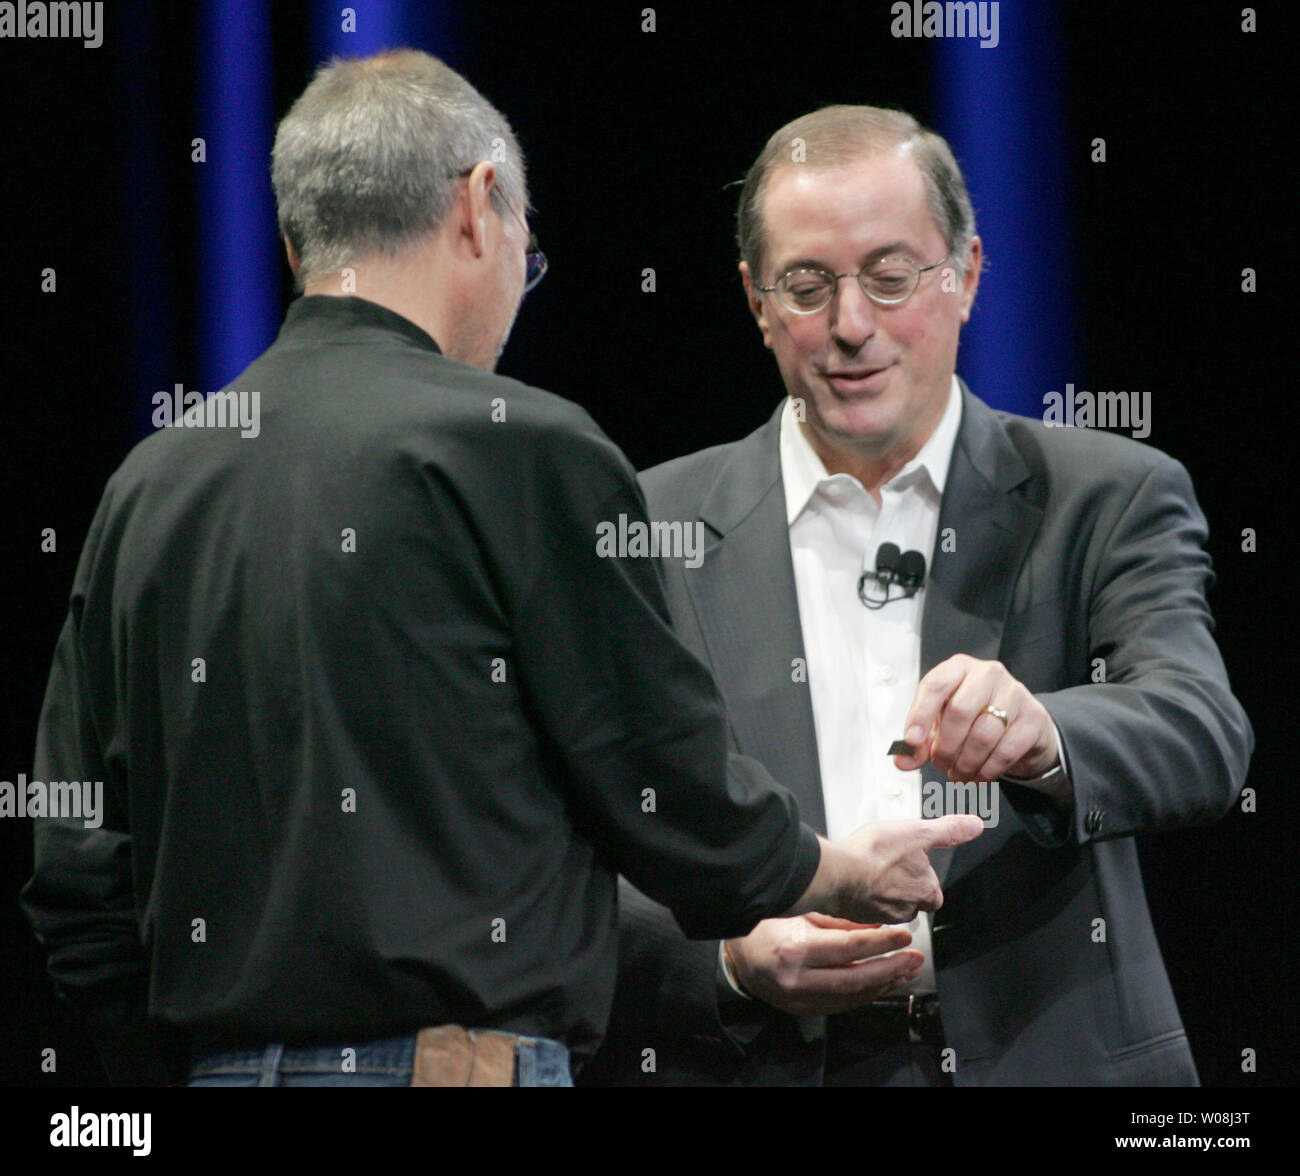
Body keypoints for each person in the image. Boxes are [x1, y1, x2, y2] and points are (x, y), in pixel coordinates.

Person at [19, 63, 983, 1088]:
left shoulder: (148, 483)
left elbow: (76, 872)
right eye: (527, 246)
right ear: (480, 206)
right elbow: (659, 784)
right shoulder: (519, 448)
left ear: (299, 245)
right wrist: (839, 870)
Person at [582, 105, 1253, 1087]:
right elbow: (561, 858)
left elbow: (1199, 729)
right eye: (808, 286)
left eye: (892, 278)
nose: (852, 326)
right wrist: (728, 959)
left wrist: (1046, 736)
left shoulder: (1106, 493)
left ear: (968, 275)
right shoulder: (645, 528)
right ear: (755, 300)